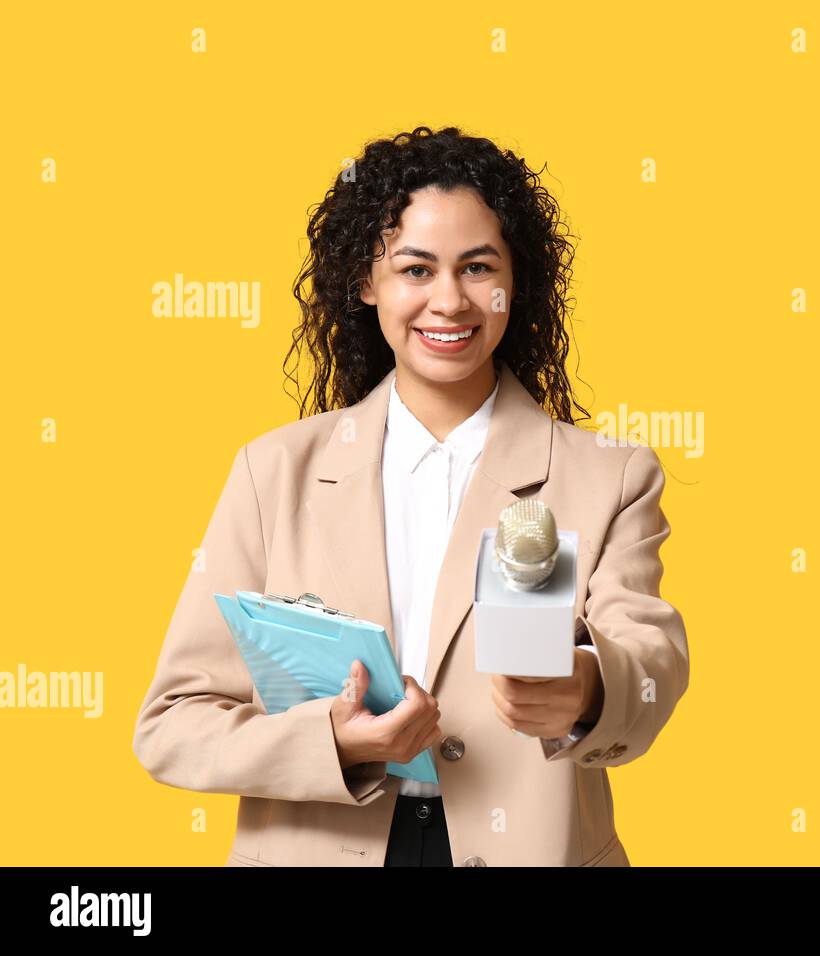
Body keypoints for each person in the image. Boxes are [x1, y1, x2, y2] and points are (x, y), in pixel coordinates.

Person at [132, 126, 689, 867]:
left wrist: (586, 686)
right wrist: (329, 742)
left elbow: (652, 661)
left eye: (477, 267)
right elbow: (172, 725)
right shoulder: (274, 472)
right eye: (416, 270)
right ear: (367, 283)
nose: (450, 302)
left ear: (513, 281)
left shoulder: (608, 476)